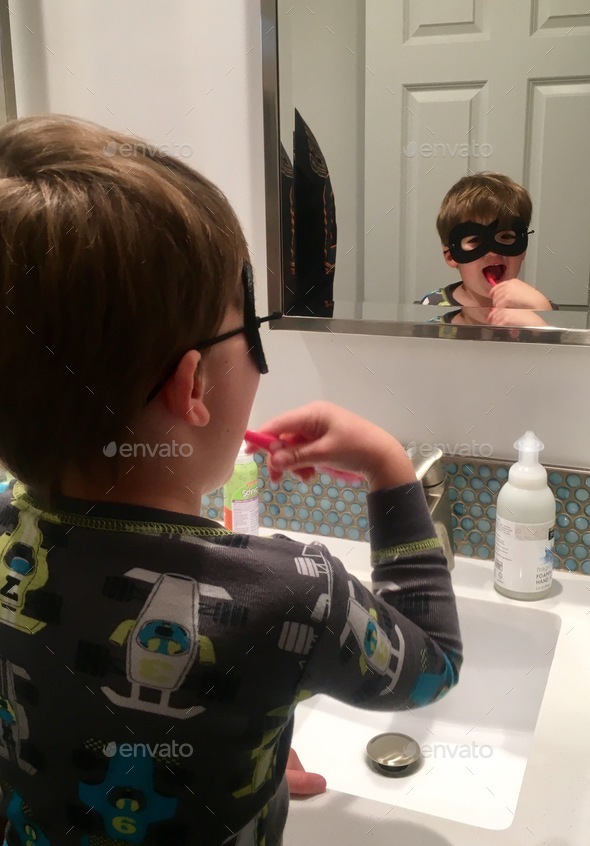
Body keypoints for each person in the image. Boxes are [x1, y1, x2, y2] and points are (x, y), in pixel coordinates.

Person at [0, 114, 462, 846]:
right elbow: (434, 667)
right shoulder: (295, 595)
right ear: (192, 385)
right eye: (248, 327)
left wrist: (241, 743)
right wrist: (388, 466)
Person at [416, 172, 558, 327]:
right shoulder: (433, 306)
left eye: (506, 237)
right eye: (475, 240)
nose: (493, 252)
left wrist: (541, 323)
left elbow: (561, 350)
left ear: (523, 250)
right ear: (450, 255)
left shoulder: (537, 305)